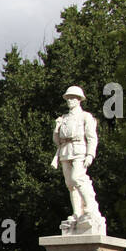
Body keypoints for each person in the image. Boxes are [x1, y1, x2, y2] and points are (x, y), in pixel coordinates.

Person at [51, 86, 104, 233]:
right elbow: (57, 141)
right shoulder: (64, 118)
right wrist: (56, 128)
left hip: (79, 149)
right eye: (68, 98)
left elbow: (92, 138)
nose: (70, 100)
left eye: (73, 98)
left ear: (79, 100)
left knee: (77, 178)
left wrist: (90, 154)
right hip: (65, 151)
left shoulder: (85, 117)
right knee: (70, 184)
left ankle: (90, 209)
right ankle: (77, 213)